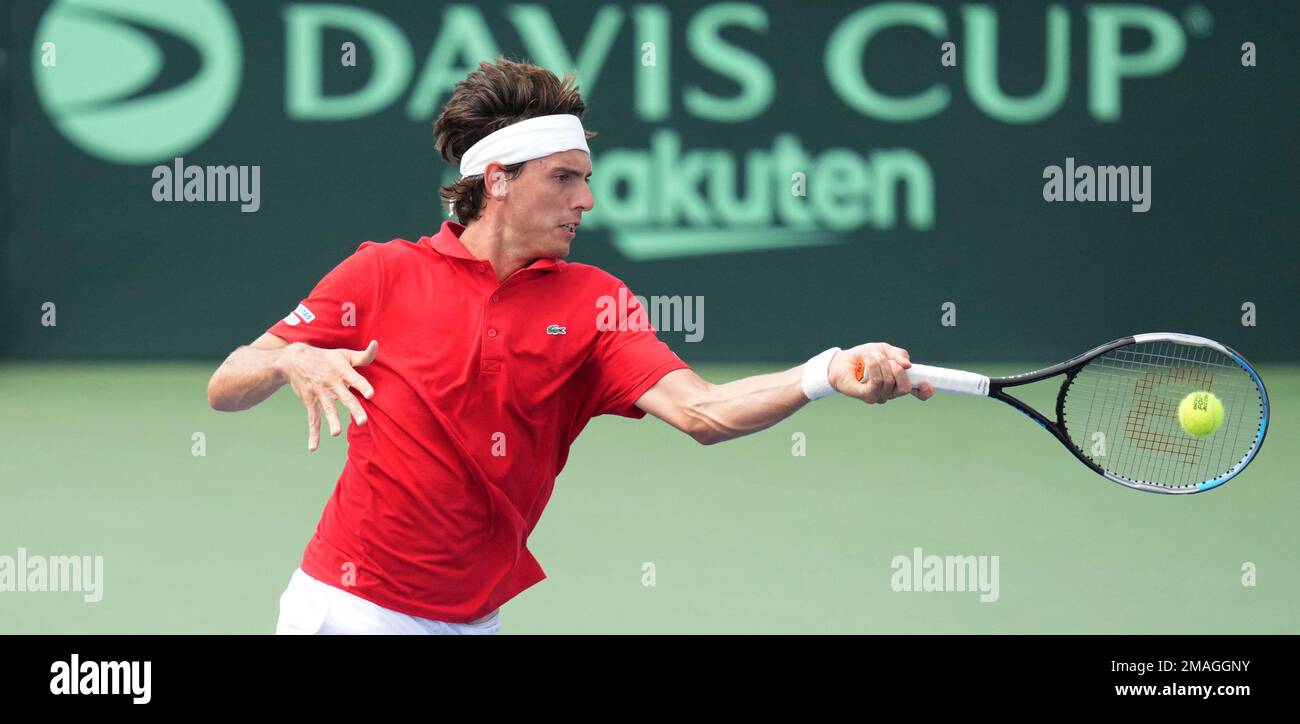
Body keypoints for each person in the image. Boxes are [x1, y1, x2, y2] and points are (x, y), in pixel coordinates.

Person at [206, 57, 933, 635]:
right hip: (350, 608)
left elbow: (702, 412)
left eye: (586, 179)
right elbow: (227, 384)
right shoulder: (383, 273)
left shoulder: (594, 303)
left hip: (474, 620)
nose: (586, 200)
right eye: (563, 178)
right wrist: (288, 357)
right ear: (497, 181)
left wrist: (825, 372)